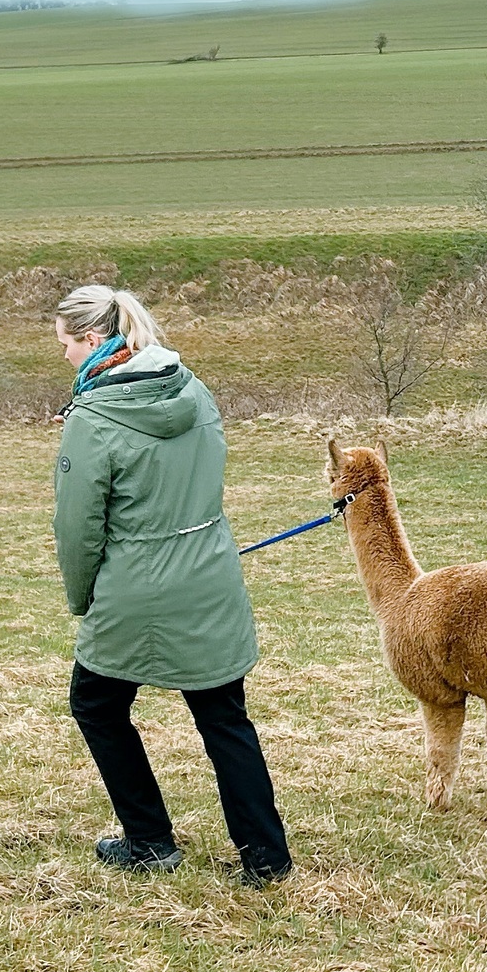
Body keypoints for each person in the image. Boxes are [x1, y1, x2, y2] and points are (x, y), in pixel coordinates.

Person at [51, 284, 291, 885]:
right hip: (210, 575)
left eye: (63, 345)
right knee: (224, 716)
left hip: (136, 590)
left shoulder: (91, 419)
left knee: (95, 703)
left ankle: (150, 840)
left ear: (89, 340)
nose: (62, 357)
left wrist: (82, 598)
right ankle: (267, 856)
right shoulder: (193, 388)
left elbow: (77, 528)